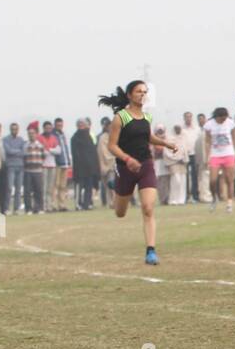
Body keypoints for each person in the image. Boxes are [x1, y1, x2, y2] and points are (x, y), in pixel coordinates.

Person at [99, 80, 177, 265]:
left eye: (145, 92)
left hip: (146, 165)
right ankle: (116, 187)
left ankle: (151, 251)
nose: (142, 94)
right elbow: (112, 146)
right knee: (120, 213)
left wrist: (165, 143)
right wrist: (127, 159)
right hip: (125, 168)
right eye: (138, 91)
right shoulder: (121, 117)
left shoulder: (147, 117)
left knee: (148, 208)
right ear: (129, 95)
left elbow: (147, 136)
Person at [203, 107, 235, 212]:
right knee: (212, 180)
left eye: (225, 118)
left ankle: (229, 202)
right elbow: (207, 141)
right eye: (222, 118)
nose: (223, 120)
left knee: (229, 179)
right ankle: (214, 198)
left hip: (228, 153)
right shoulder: (209, 125)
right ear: (217, 117)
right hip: (215, 155)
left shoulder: (230, 123)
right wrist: (207, 157)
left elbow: (234, 138)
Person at [71, 118, 99, 210]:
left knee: (89, 187)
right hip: (80, 168)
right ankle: (78, 204)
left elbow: (93, 153)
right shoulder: (75, 138)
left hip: (90, 168)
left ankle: (87, 204)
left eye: (83, 125)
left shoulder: (89, 137)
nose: (82, 126)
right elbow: (75, 155)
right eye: (80, 125)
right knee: (79, 187)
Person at [2, 122, 26, 212]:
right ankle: (7, 208)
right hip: (10, 166)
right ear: (10, 129)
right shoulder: (5, 139)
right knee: (9, 188)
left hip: (20, 166)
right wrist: (18, 151)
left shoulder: (21, 139)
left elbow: (24, 152)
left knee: (18, 189)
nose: (14, 131)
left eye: (16, 129)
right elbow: (8, 151)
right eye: (12, 129)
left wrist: (16, 152)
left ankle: (16, 208)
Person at [22, 122, 46, 213]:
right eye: (29, 134)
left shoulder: (40, 145)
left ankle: (39, 208)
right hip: (28, 171)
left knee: (38, 190)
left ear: (36, 134)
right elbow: (23, 158)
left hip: (38, 171)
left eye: (33, 133)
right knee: (27, 191)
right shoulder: (25, 146)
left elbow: (43, 156)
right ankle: (28, 209)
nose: (31, 135)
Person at [164, 124, 189, 205]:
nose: (178, 130)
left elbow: (185, 150)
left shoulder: (183, 138)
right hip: (173, 163)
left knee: (183, 181)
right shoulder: (169, 139)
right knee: (176, 180)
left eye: (179, 129)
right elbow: (167, 152)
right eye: (176, 129)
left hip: (182, 162)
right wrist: (176, 159)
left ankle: (181, 200)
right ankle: (173, 200)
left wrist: (184, 159)